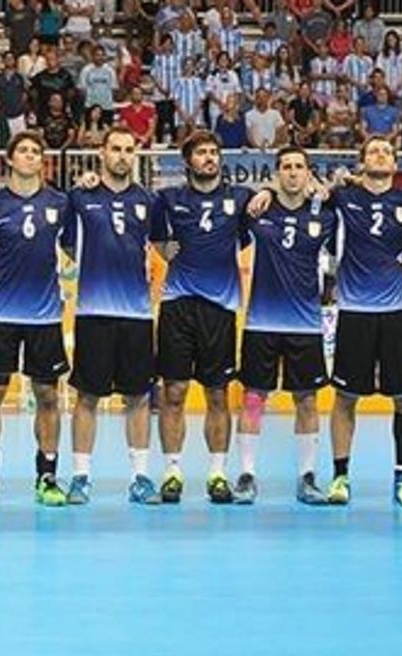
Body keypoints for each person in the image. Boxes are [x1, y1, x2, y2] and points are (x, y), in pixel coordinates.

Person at [324, 137, 402, 507]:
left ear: (395, 163)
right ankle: (340, 477)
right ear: (361, 161)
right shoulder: (342, 199)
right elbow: (310, 195)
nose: (380, 156)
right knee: (345, 397)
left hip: (400, 312)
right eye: (373, 151)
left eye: (387, 152)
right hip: (355, 312)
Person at [0, 131, 71, 507]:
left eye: (36, 151)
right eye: (23, 150)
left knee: (47, 394)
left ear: (44, 160)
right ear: (9, 159)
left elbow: (78, 248)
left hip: (46, 316)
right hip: (2, 315)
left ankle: (47, 476)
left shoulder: (60, 202)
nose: (30, 156)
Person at [149, 130, 254, 504]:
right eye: (201, 153)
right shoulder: (167, 199)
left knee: (218, 394)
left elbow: (261, 218)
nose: (209, 158)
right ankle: (173, 471)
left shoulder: (240, 199)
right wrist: (165, 250)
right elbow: (156, 240)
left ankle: (216, 474)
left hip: (220, 308)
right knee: (173, 393)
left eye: (214, 152)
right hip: (178, 305)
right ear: (187, 161)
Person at [61, 127, 160, 505]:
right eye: (115, 149)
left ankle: (140, 478)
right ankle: (81, 477)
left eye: (128, 149)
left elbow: (164, 246)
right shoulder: (81, 198)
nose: (122, 155)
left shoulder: (148, 201)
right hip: (93, 312)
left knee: (137, 397)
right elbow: (69, 244)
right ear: (101, 153)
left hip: (136, 314)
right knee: (87, 396)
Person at [237, 147, 337, 504]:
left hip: (305, 324)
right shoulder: (258, 210)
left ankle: (307, 477)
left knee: (307, 400)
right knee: (252, 399)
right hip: (260, 324)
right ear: (277, 173)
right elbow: (233, 199)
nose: (293, 173)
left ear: (308, 173)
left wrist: (331, 188)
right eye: (286, 167)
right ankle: (247, 474)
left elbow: (348, 195)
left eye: (299, 167)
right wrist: (260, 191)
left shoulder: (326, 216)